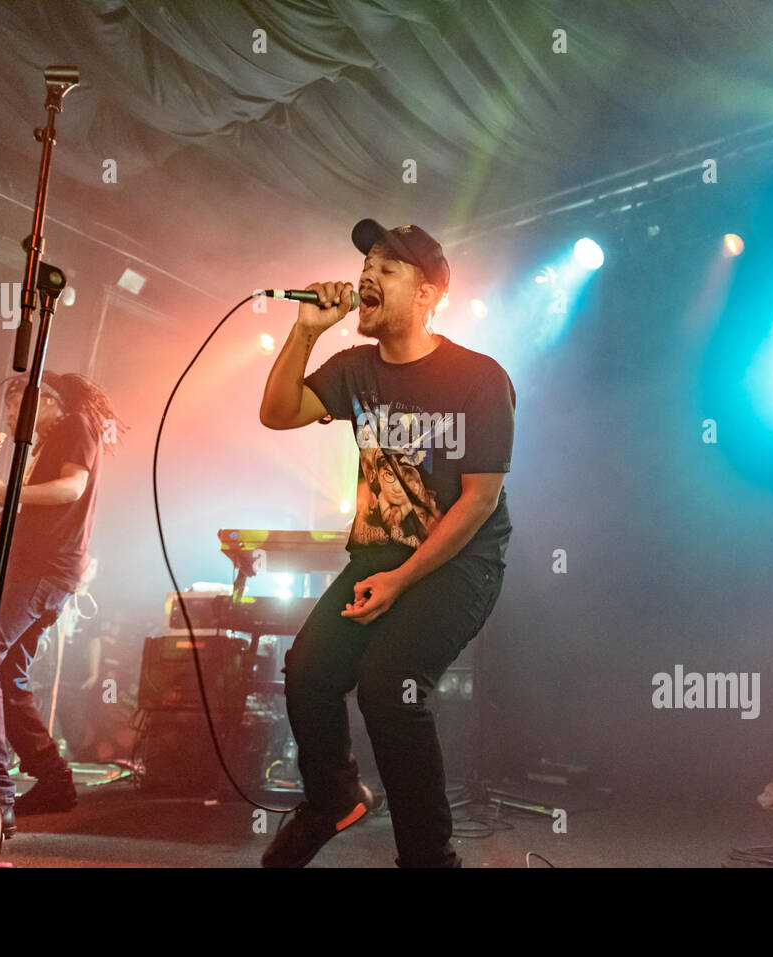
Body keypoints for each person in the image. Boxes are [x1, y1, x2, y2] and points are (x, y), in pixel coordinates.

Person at [258, 219, 515, 867]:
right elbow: (278, 411)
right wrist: (306, 331)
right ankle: (334, 797)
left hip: (462, 559)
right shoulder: (354, 369)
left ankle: (430, 859)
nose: (366, 274)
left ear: (428, 295)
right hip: (378, 552)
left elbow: (479, 499)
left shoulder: (478, 378)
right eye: (366, 261)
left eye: (388, 267)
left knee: (390, 684)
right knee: (310, 670)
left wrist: (402, 581)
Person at [0, 371, 122, 837]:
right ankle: (54, 780)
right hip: (44, 568)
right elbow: (36, 516)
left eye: (14, 402)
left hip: (43, 571)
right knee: (5, 673)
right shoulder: (49, 444)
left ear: (47, 399)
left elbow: (71, 489)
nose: (7, 414)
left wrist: (0, 490)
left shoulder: (75, 424)